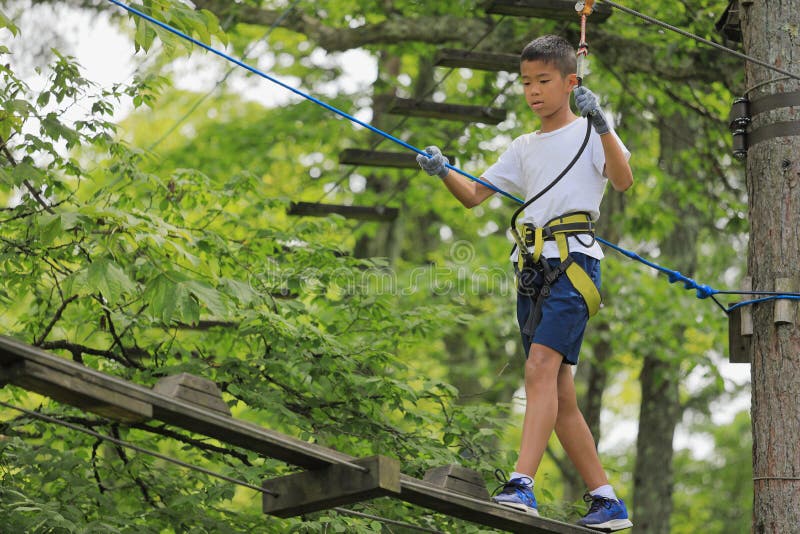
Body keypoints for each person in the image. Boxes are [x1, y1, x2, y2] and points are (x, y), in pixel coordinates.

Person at [416, 35, 633, 531]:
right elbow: (473, 195)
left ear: (570, 82)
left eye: (544, 81)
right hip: (532, 272)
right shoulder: (523, 147)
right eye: (526, 83)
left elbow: (622, 178)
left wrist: (601, 123)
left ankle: (521, 484)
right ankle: (606, 500)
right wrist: (443, 171)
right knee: (557, 391)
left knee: (538, 369)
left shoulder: (590, 135)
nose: (533, 92)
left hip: (573, 267)